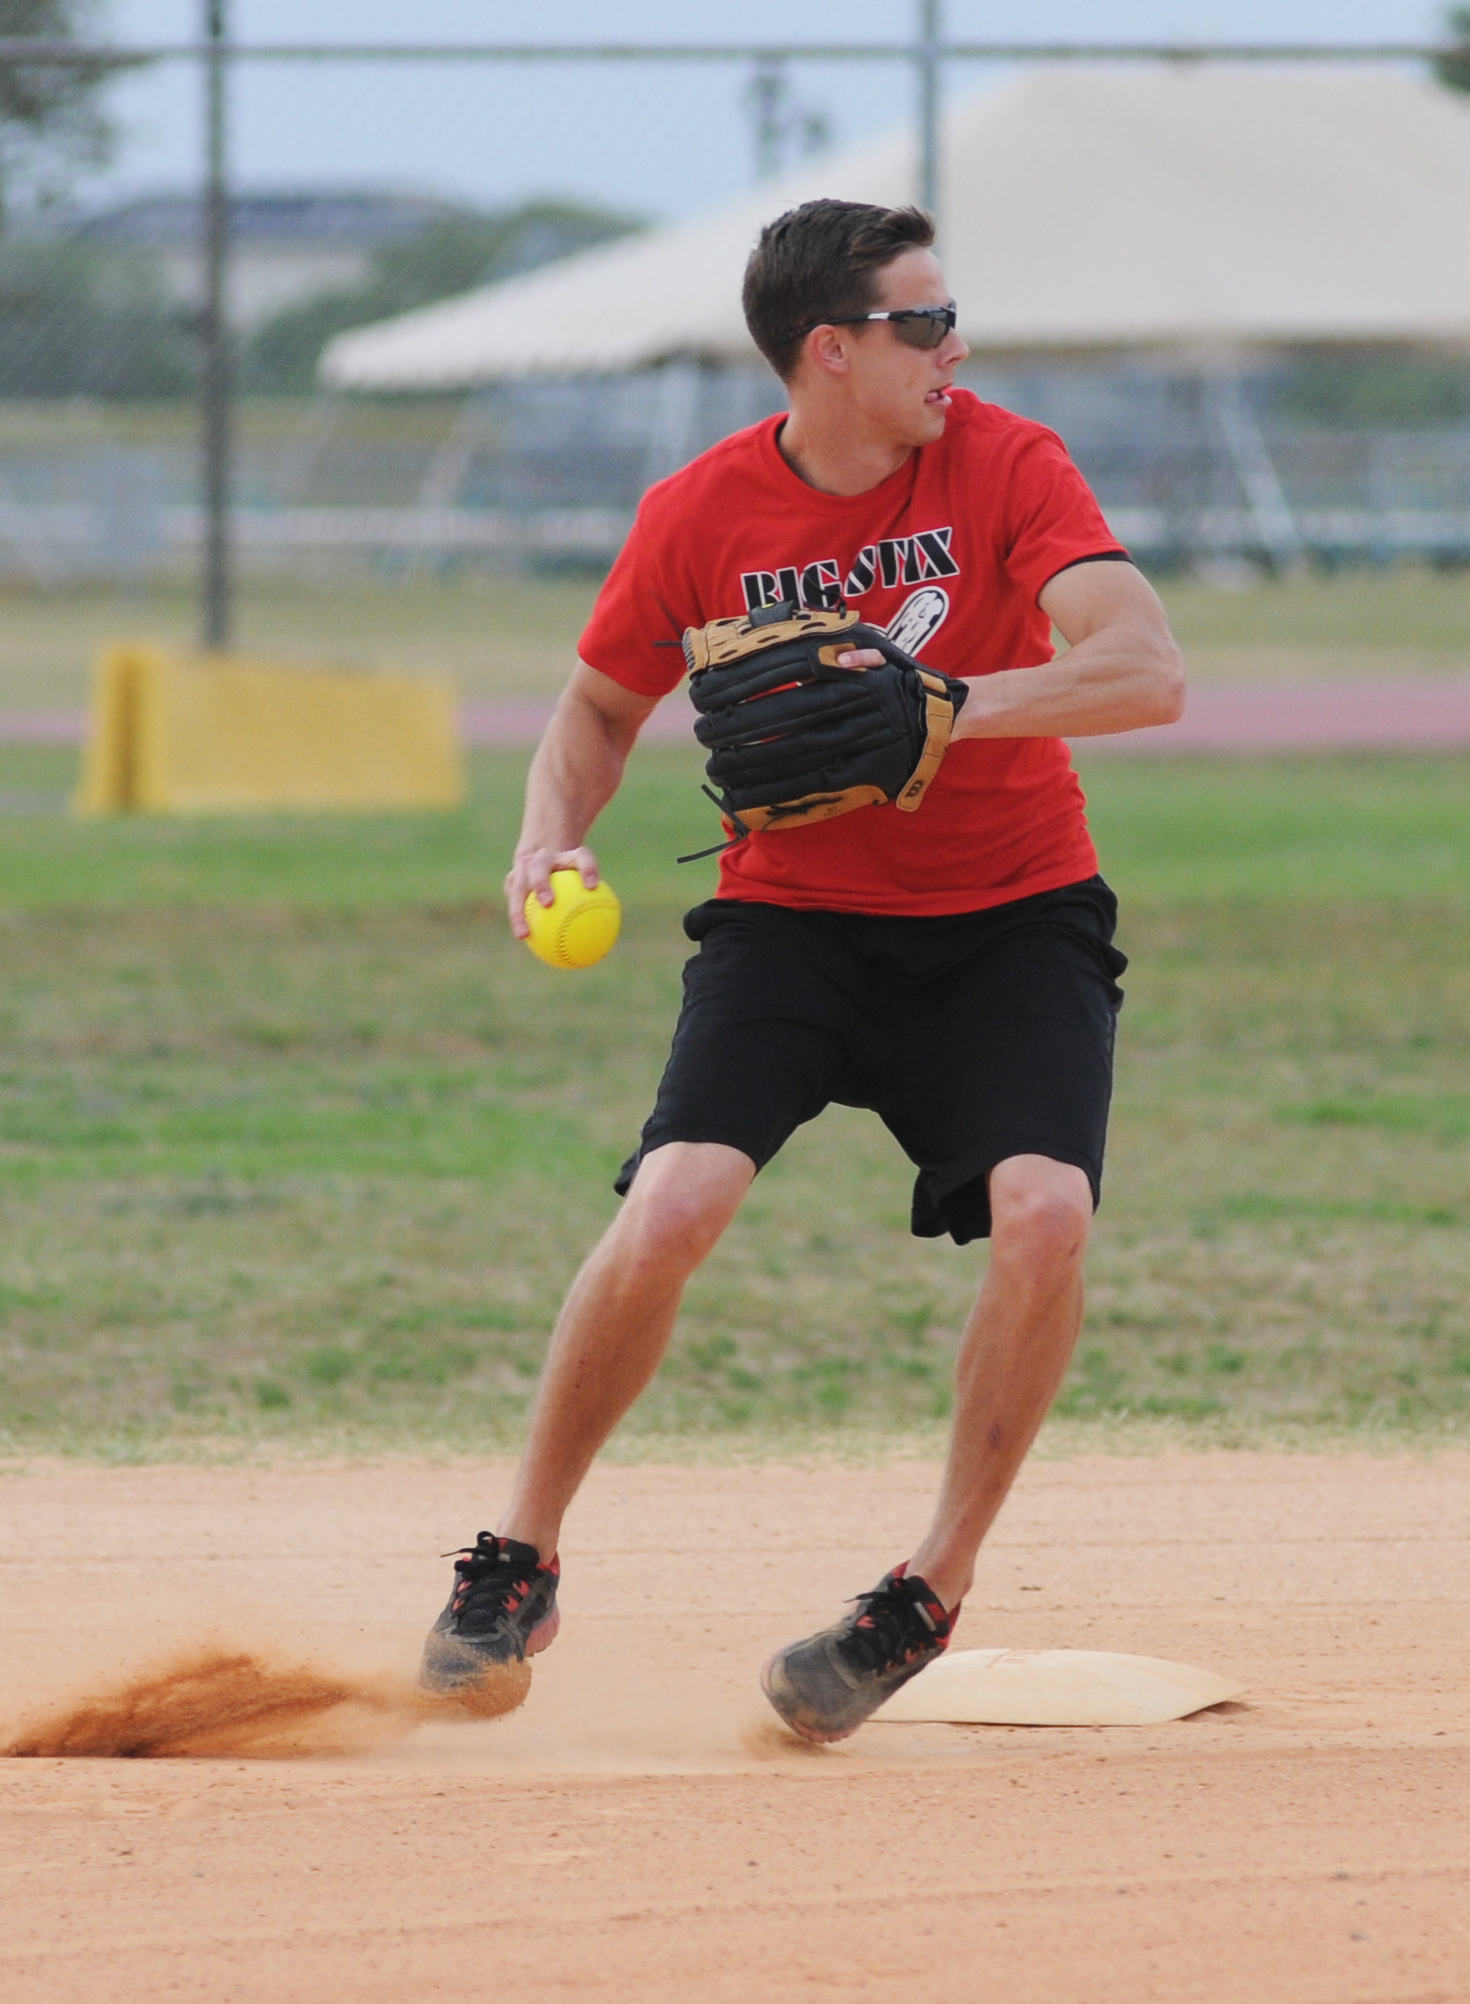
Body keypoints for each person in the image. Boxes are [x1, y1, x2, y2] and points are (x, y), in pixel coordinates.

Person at [420, 197, 1185, 1742]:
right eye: (920, 324)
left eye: (950, 317)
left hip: (1010, 914)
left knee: (1044, 1213)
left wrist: (945, 703)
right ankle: (516, 1561)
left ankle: (923, 1594)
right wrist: (545, 839)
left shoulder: (1008, 461)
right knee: (676, 1198)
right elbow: (592, 710)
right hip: (796, 923)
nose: (951, 348)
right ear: (829, 352)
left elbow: (1143, 670)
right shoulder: (699, 513)